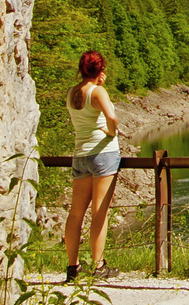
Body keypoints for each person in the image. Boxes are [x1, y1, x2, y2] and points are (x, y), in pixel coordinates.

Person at [63, 50, 122, 280]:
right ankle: (98, 266)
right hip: (103, 154)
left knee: (76, 212)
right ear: (100, 70)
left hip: (80, 154)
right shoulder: (98, 92)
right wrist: (111, 131)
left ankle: (72, 267)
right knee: (99, 211)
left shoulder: (71, 93)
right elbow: (112, 117)